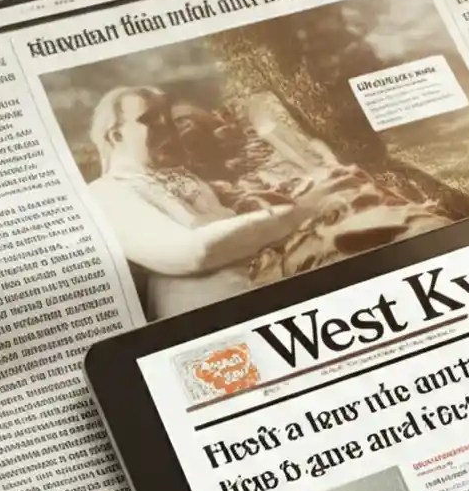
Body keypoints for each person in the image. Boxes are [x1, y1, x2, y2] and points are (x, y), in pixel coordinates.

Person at [85, 86, 310, 319]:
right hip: (217, 317)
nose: (170, 132)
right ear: (116, 136)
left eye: (169, 121)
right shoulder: (106, 192)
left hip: (271, 291)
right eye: (151, 121)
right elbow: (193, 253)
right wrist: (298, 213)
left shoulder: (182, 175)